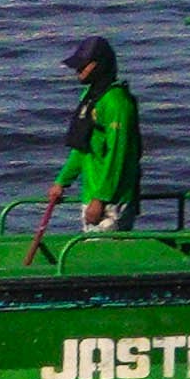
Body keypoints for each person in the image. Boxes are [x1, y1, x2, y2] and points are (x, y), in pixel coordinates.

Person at [44, 37, 143, 237]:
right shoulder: (90, 97)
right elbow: (82, 146)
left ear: (99, 65)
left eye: (83, 66)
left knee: (105, 252)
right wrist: (62, 181)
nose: (78, 71)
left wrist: (101, 198)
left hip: (111, 201)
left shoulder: (117, 103)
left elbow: (118, 155)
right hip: (90, 193)